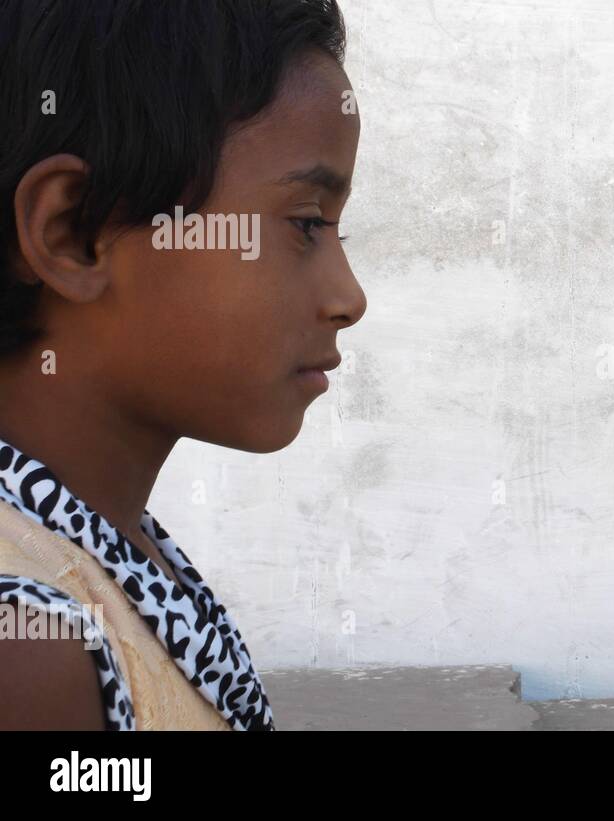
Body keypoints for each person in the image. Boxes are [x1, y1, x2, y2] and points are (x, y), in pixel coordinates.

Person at [0, 0, 365, 730]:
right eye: (304, 225)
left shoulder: (98, 543)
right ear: (75, 233)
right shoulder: (33, 654)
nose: (348, 297)